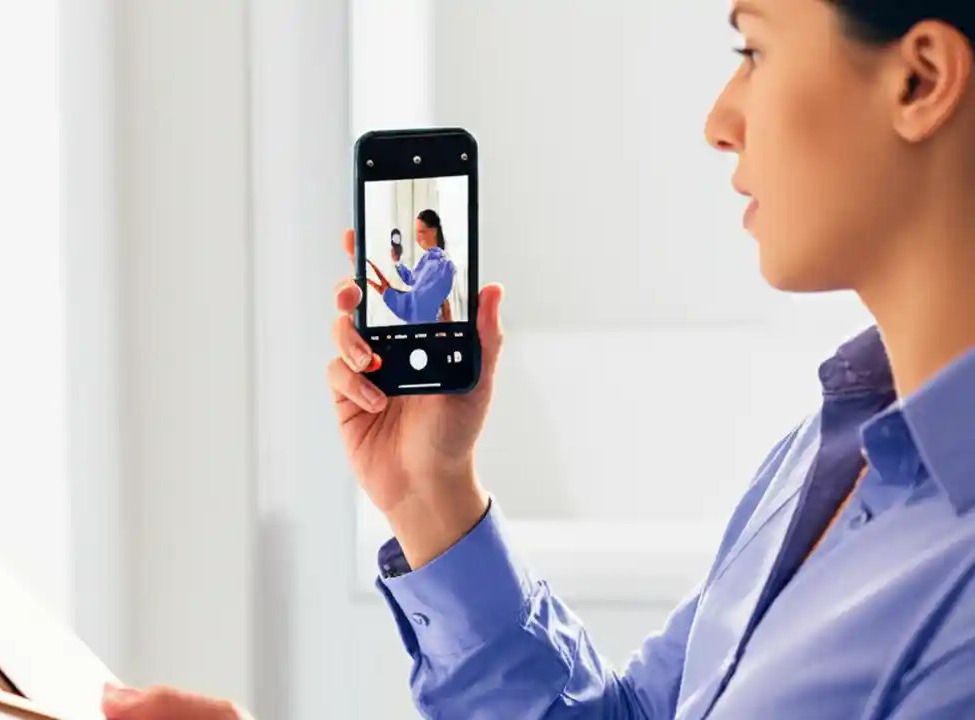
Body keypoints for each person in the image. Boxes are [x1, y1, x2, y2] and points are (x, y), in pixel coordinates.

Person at [103, 0, 975, 717]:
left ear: (920, 79)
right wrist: (430, 493)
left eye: (753, 49)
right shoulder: (831, 444)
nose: (719, 121)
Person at [367, 210, 456, 324]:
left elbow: (421, 305)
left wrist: (390, 295)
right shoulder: (428, 258)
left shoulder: (444, 264)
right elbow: (413, 279)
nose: (418, 238)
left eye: (421, 232)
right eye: (416, 233)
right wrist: (398, 262)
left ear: (434, 231)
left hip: (429, 331)